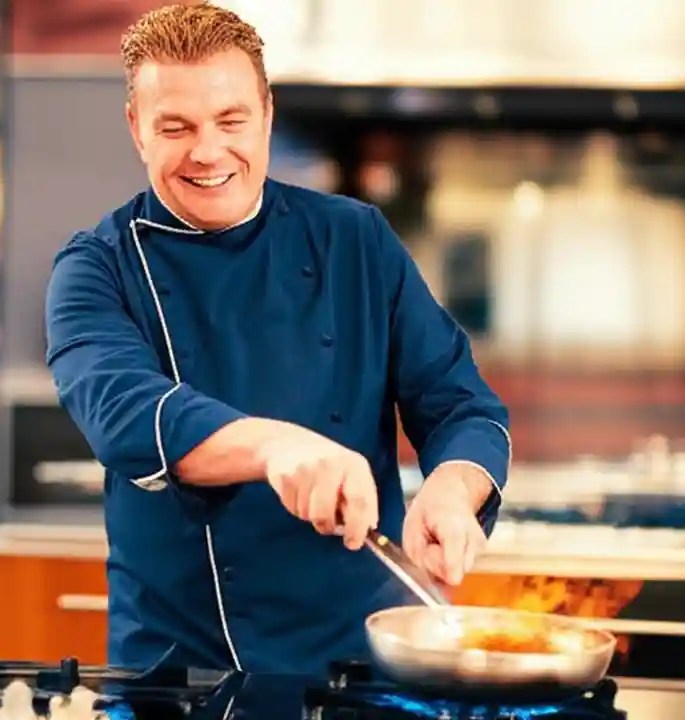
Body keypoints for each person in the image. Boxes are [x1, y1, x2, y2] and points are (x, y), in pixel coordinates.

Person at [43, 3, 511, 675]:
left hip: (362, 658)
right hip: (183, 672)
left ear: (266, 112)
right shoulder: (96, 267)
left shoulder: (355, 239)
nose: (208, 152)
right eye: (176, 127)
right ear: (136, 130)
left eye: (231, 121)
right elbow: (125, 415)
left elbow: (461, 404)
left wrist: (451, 489)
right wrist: (278, 446)